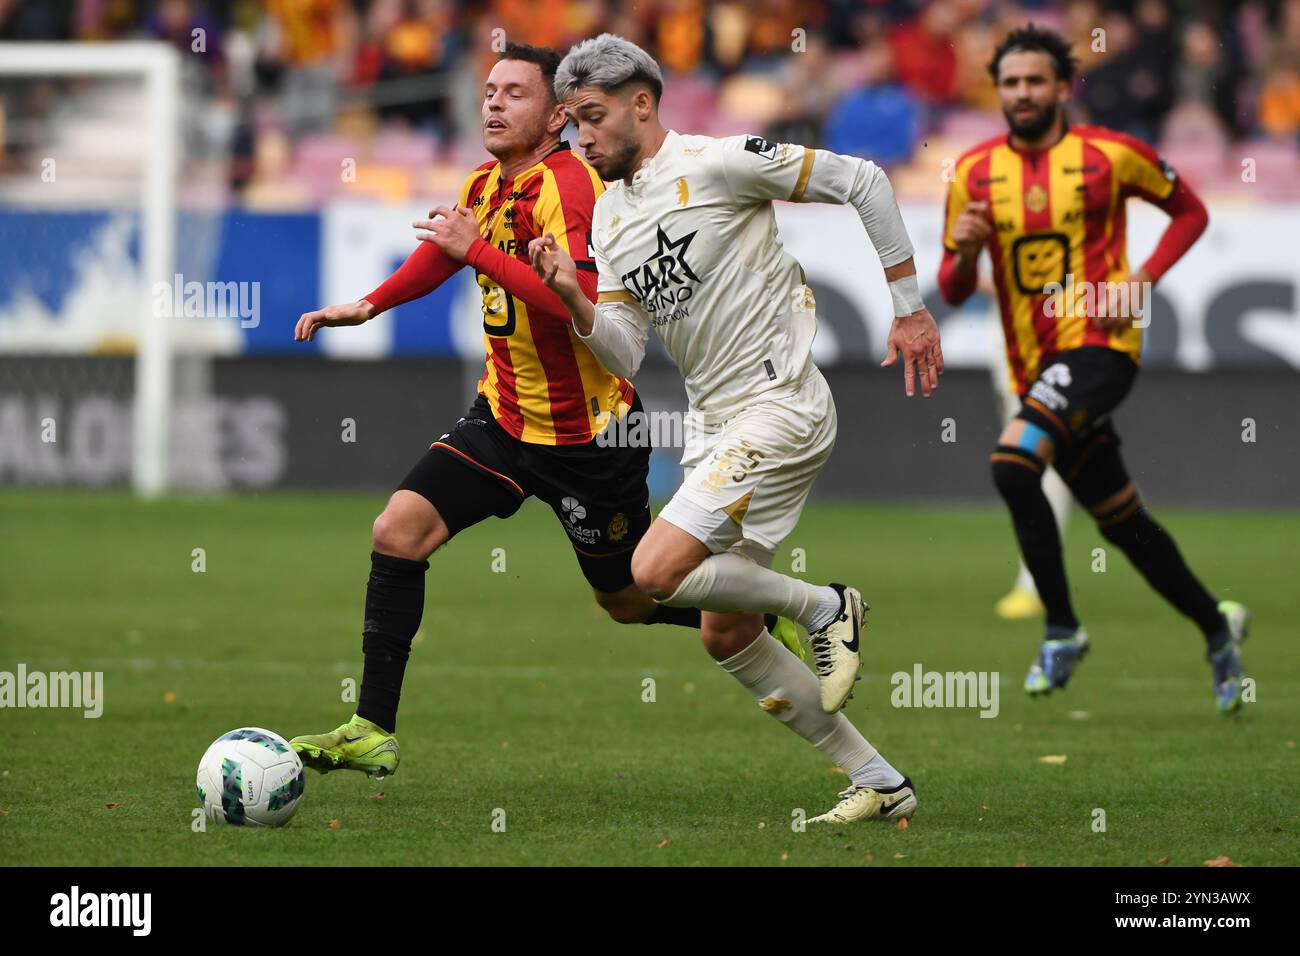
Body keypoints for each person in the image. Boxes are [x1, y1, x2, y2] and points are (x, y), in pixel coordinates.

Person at [288, 42, 800, 778]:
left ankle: (749, 607)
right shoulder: (487, 182)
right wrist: (369, 305)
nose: (493, 102)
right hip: (501, 419)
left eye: (514, 92)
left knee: (625, 600)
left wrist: (480, 253)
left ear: (558, 114)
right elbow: (447, 252)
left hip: (590, 436)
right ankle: (373, 727)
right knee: (398, 532)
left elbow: (575, 310)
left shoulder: (574, 186)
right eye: (489, 89)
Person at [532, 34, 944, 822]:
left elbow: (863, 179)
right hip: (715, 426)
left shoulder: (720, 161)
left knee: (651, 571)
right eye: (573, 123)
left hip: (780, 402)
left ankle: (825, 605)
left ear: (641, 103)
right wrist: (573, 298)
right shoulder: (611, 219)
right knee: (725, 633)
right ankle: (883, 785)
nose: (581, 137)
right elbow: (623, 348)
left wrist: (909, 308)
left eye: (592, 117)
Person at [937, 24, 1250, 712]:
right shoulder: (973, 175)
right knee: (1122, 522)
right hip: (1034, 365)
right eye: (1011, 82)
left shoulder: (1113, 155)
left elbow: (1189, 212)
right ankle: (1216, 626)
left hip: (1103, 346)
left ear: (1062, 87)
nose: (1022, 93)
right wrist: (960, 252)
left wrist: (1143, 278)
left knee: (1011, 463)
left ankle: (1061, 627)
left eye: (1035, 80)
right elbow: (955, 290)